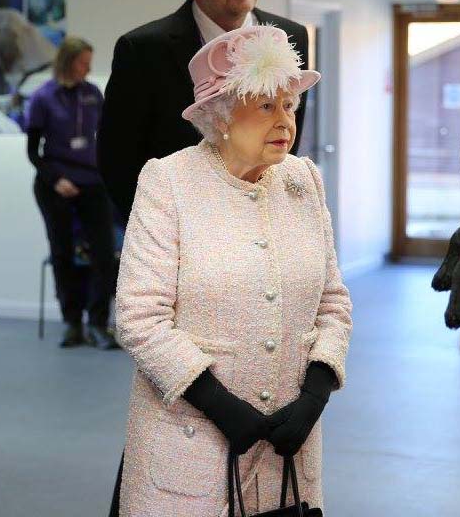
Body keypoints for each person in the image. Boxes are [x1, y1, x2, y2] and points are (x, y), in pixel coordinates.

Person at [114, 25, 351, 516]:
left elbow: (333, 300)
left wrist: (315, 394)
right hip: (192, 446)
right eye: (267, 106)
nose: (285, 119)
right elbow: (140, 318)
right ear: (220, 116)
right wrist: (218, 404)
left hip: (288, 449)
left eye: (289, 105)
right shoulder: (169, 182)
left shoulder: (303, 179)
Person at [97, 0, 309, 222]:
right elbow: (117, 161)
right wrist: (162, 234)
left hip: (262, 224)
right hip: (177, 232)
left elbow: (287, 140)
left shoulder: (291, 37)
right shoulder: (142, 50)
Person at [26, 36, 119, 350]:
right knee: (62, 253)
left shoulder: (93, 94)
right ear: (67, 62)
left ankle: (97, 323)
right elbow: (33, 152)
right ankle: (71, 323)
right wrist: (55, 179)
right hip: (56, 185)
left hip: (92, 183)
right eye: (83, 62)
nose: (88, 68)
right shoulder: (43, 98)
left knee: (104, 254)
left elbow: (106, 139)